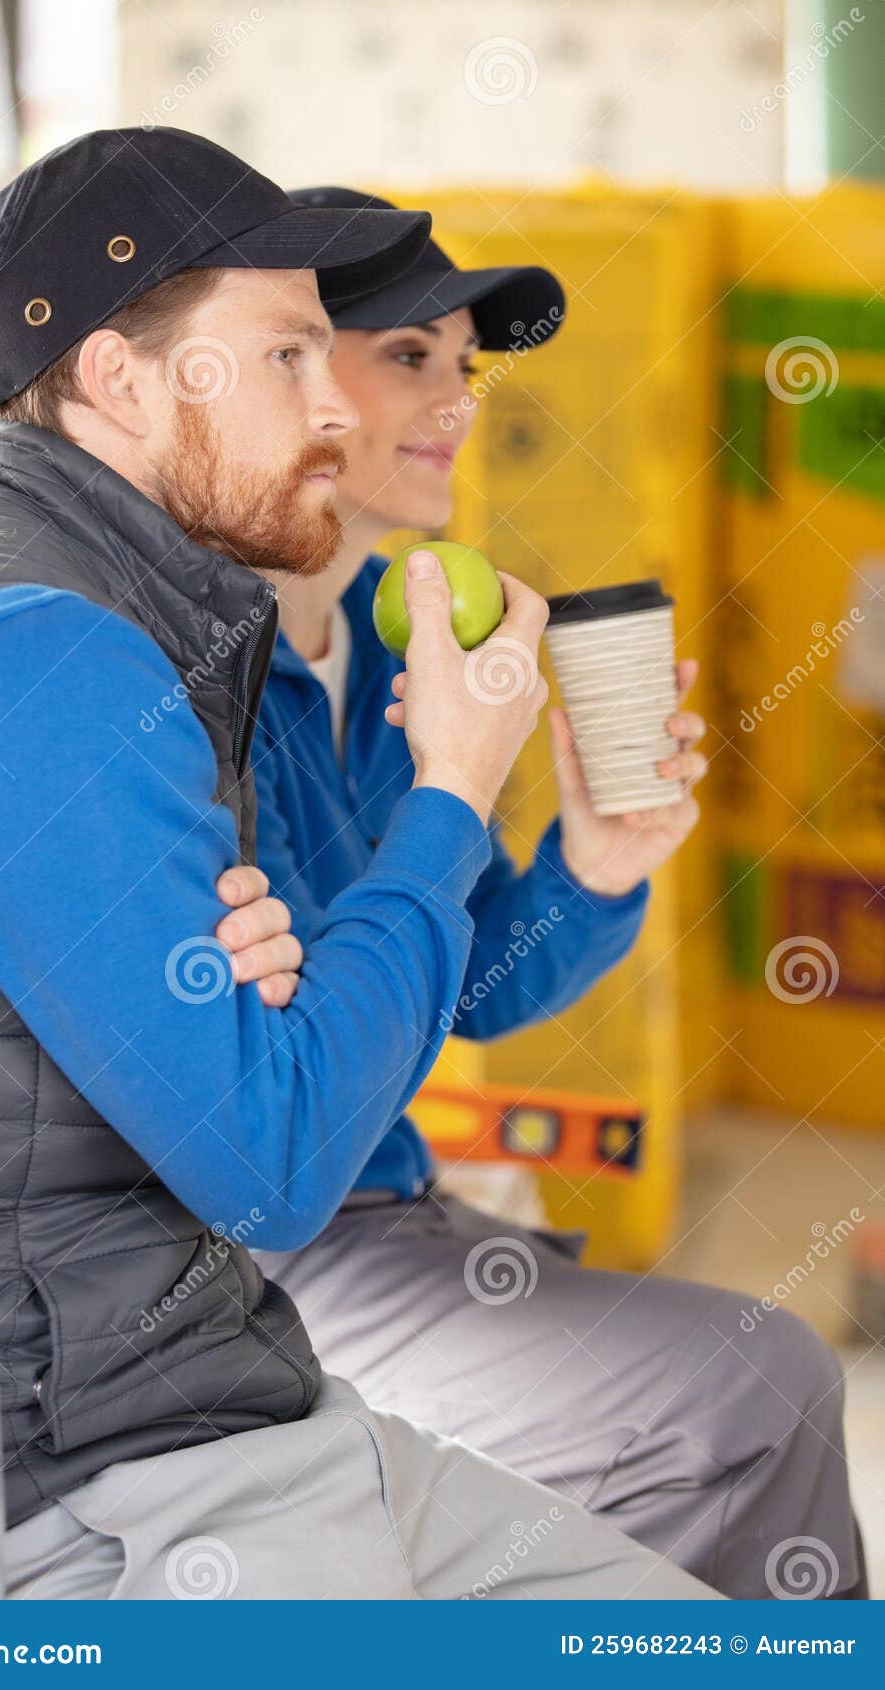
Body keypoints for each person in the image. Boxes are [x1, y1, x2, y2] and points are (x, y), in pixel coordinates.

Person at [0, 129, 720, 1601]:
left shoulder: (143, 617)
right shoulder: (28, 660)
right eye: (296, 355)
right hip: (99, 1487)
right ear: (119, 380)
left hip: (235, 1398)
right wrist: (449, 790)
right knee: (735, 1403)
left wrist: (559, 865)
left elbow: (320, 1040)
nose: (339, 406)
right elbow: (279, 1154)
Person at [247, 187, 866, 1602]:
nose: (457, 400)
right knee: (754, 1382)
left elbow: (454, 986)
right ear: (282, 363)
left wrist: (593, 860)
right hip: (263, 1253)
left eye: (467, 365)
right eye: (410, 353)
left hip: (379, 1205)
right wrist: (452, 795)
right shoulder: (208, 682)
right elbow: (295, 1072)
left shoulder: (365, 645)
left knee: (743, 1397)